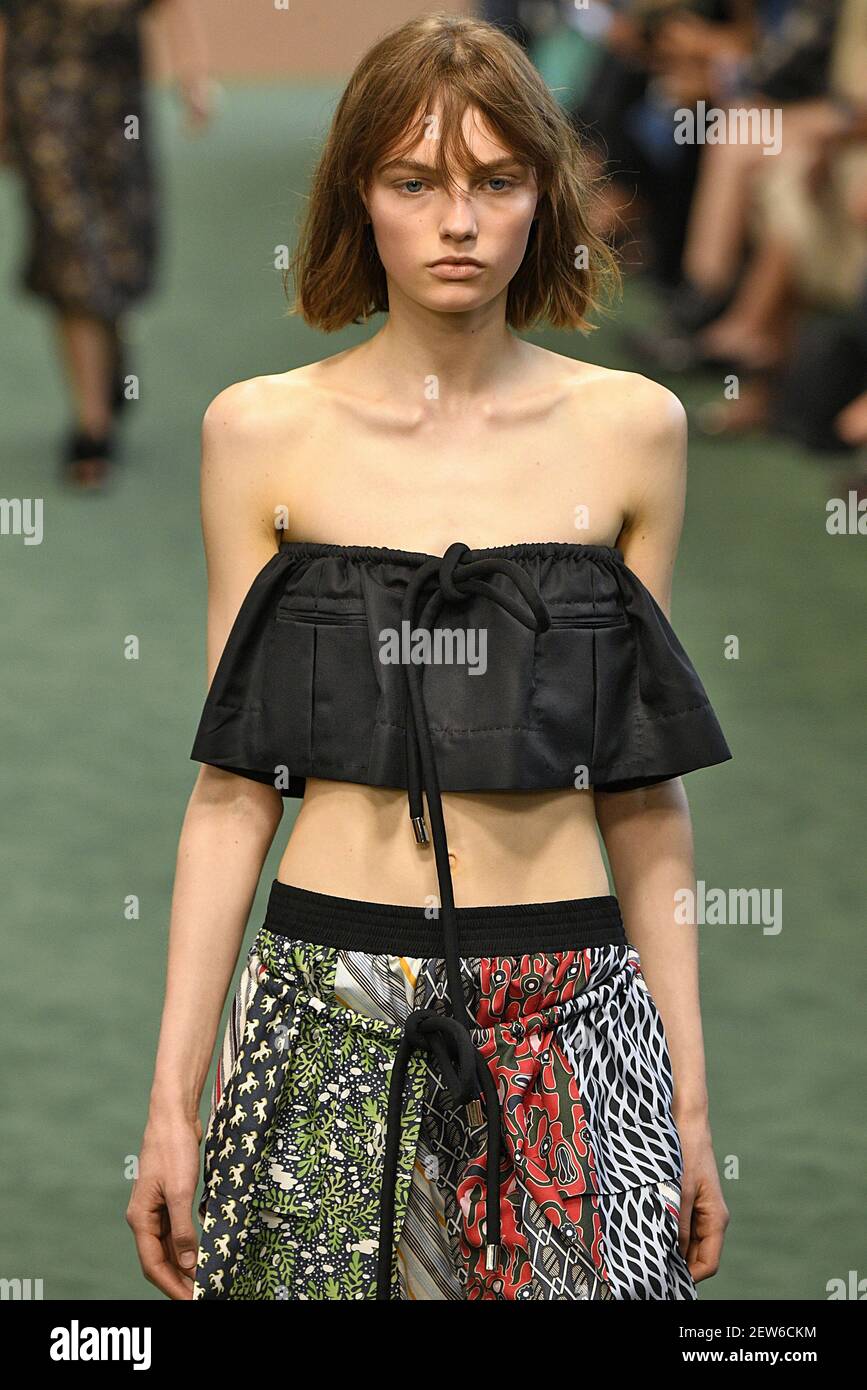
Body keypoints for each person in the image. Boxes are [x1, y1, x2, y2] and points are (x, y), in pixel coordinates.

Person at [126, 12, 732, 1302]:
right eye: (416, 182)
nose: (458, 222)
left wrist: (683, 1099)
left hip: (575, 1002)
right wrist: (172, 1099)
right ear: (362, 196)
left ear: (544, 201)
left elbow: (642, 787)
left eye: (497, 182)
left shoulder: (636, 432)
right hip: (322, 999)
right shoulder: (261, 434)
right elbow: (233, 787)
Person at [0, 0, 213, 489]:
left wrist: (194, 77)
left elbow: (172, 6)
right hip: (40, 106)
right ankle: (91, 424)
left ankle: (110, 344)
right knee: (69, 250)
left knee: (119, 249)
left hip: (117, 110)